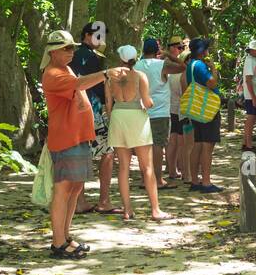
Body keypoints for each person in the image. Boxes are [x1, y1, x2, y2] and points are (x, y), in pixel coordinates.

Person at [40, 29, 123, 258]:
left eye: (72, 47)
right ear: (53, 51)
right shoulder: (54, 73)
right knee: (63, 189)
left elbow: (79, 86)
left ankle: (65, 237)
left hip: (78, 138)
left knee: (75, 189)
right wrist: (105, 73)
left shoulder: (64, 68)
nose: (71, 51)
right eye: (66, 48)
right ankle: (58, 243)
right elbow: (79, 83)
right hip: (67, 139)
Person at [105, 45, 171, 221]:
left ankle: (127, 210)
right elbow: (147, 101)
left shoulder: (110, 77)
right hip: (137, 117)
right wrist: (149, 105)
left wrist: (116, 116)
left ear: (121, 59)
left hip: (118, 116)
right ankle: (155, 209)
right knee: (147, 167)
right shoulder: (140, 76)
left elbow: (108, 105)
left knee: (123, 167)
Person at [71, 22, 118, 215]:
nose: (102, 40)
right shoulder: (91, 57)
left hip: (74, 111)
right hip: (94, 111)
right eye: (99, 36)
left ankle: (80, 200)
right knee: (107, 153)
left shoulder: (72, 55)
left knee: (81, 154)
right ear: (87, 35)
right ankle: (104, 200)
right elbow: (98, 88)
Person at [136, 38, 180, 190]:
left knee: (143, 145)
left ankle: (144, 179)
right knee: (158, 145)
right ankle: (158, 179)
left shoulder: (137, 65)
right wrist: (169, 54)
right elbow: (183, 66)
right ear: (157, 51)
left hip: (141, 110)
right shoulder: (162, 65)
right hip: (160, 111)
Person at [185, 39, 222, 192]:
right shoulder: (200, 65)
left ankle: (195, 181)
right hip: (207, 110)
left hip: (196, 109)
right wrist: (213, 68)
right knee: (207, 145)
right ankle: (206, 182)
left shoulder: (190, 66)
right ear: (202, 51)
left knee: (198, 143)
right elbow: (211, 83)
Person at [163, 35, 189, 184]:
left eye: (182, 48)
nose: (181, 50)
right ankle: (179, 169)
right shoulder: (174, 68)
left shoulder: (168, 66)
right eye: (179, 47)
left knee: (173, 138)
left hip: (171, 107)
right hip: (177, 107)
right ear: (172, 47)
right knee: (179, 139)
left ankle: (172, 168)